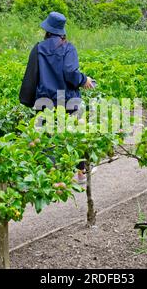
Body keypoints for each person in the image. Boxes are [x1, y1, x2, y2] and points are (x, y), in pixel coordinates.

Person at [30, 12, 95, 182]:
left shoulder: (38, 48)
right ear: (62, 31)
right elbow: (70, 73)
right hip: (67, 100)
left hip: (45, 100)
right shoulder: (68, 48)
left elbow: (31, 76)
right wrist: (84, 80)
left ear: (47, 30)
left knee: (47, 137)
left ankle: (51, 178)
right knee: (76, 133)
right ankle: (81, 174)